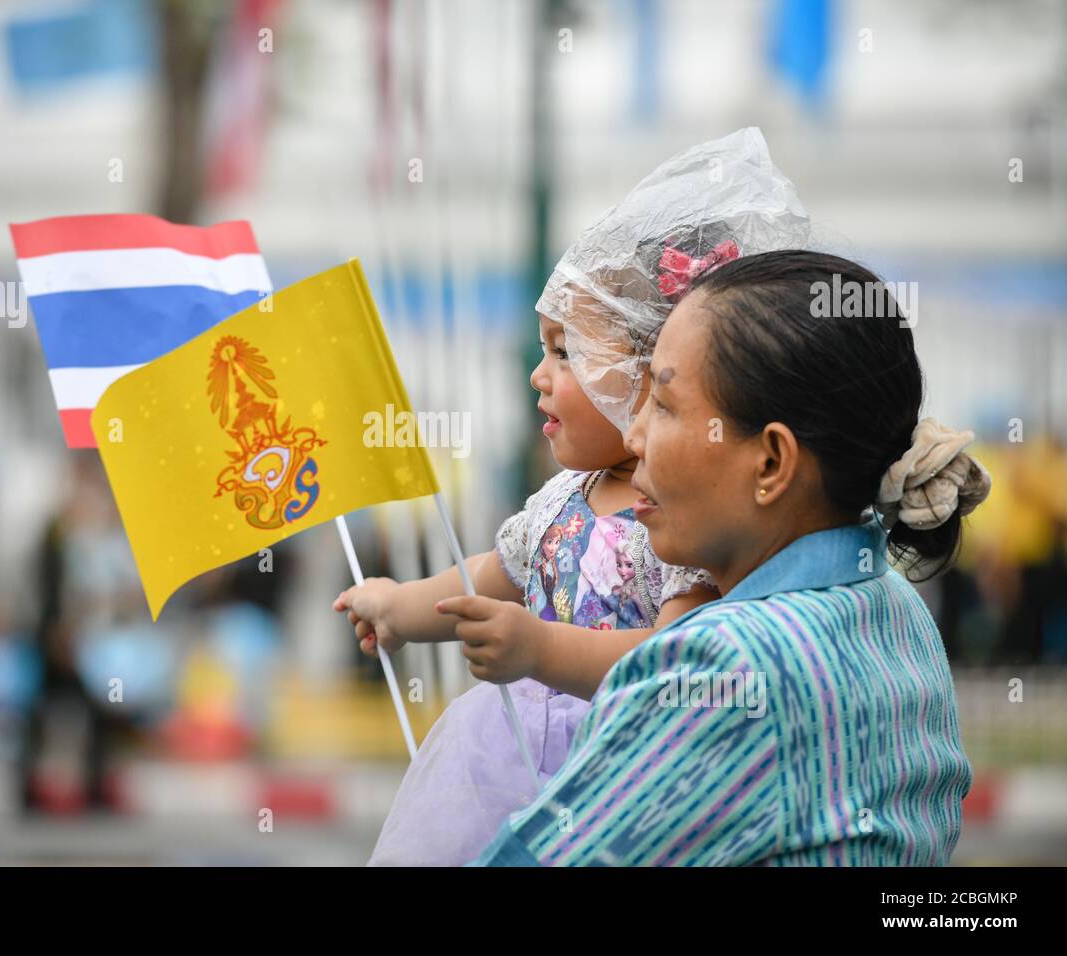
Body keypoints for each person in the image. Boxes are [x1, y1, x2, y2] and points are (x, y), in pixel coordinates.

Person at [334, 130, 811, 866]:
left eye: (567, 352)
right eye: (542, 348)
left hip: (617, 772)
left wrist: (543, 649)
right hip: (505, 761)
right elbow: (492, 575)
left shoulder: (682, 518)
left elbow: (672, 658)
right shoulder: (563, 497)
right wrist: (399, 607)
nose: (539, 374)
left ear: (655, 374)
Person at [471, 250, 990, 866]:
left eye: (663, 406)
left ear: (771, 462)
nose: (633, 437)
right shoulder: (893, 606)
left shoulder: (723, 665)